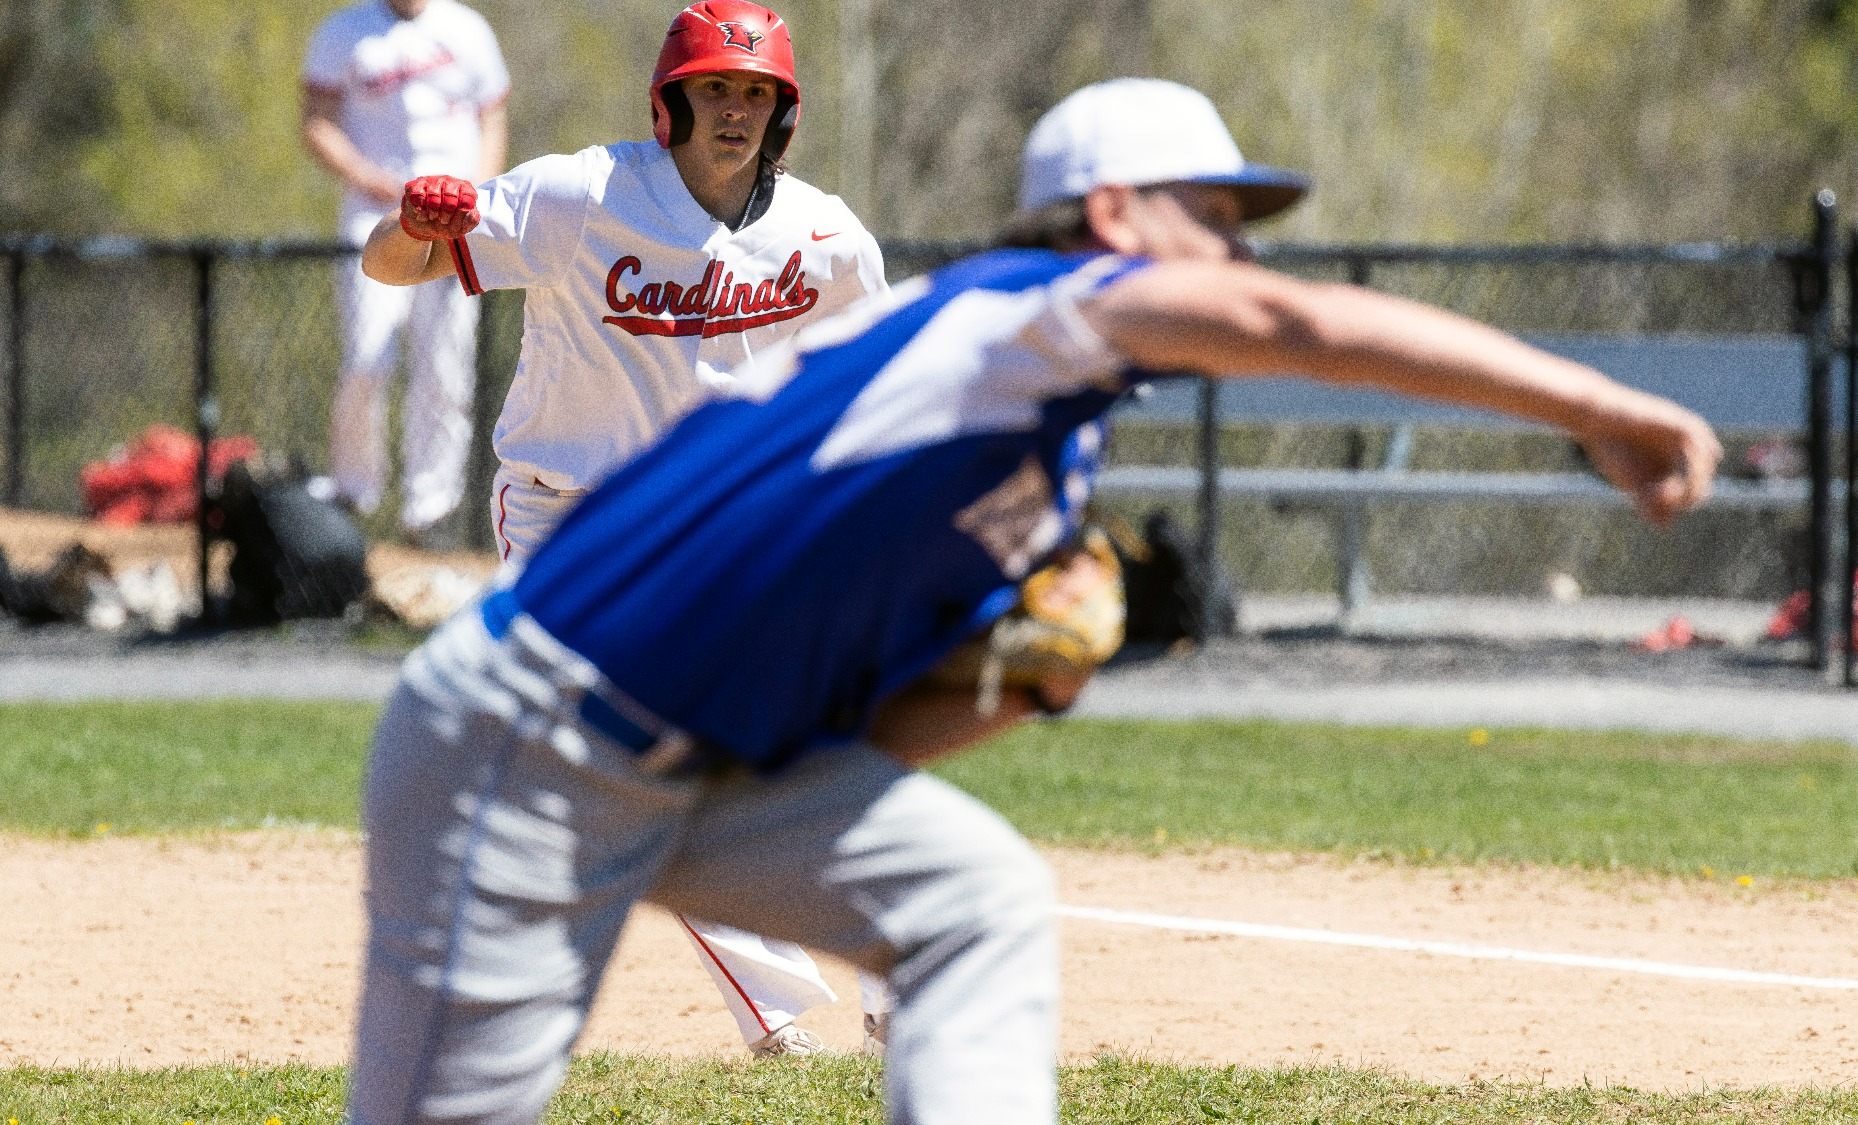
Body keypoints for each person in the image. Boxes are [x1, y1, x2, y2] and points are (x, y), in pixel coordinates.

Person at [350, 77, 1722, 1125]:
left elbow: (866, 727)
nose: (1239, 256)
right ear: (1117, 221)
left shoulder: (1035, 460)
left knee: (976, 902)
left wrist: (1026, 684)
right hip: (516, 740)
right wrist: (1589, 404)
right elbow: (1292, 331)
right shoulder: (1019, 312)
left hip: (705, 761)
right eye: (1218, 219)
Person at [361, 1, 890, 1058]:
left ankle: (886, 969)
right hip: (569, 515)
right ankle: (777, 1016)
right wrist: (413, 227)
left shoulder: (825, 238)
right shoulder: (578, 194)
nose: (734, 110)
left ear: (782, 112)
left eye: (756, 93)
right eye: (715, 89)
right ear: (671, 101)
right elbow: (392, 269)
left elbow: (877, 381)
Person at [303, 0, 510, 548]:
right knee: (367, 357)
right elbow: (316, 122)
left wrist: (476, 200)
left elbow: (492, 122)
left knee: (445, 366)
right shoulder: (344, 31)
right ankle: (352, 493)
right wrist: (370, 178)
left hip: (454, 218)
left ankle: (430, 510)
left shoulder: (466, 29)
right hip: (377, 214)